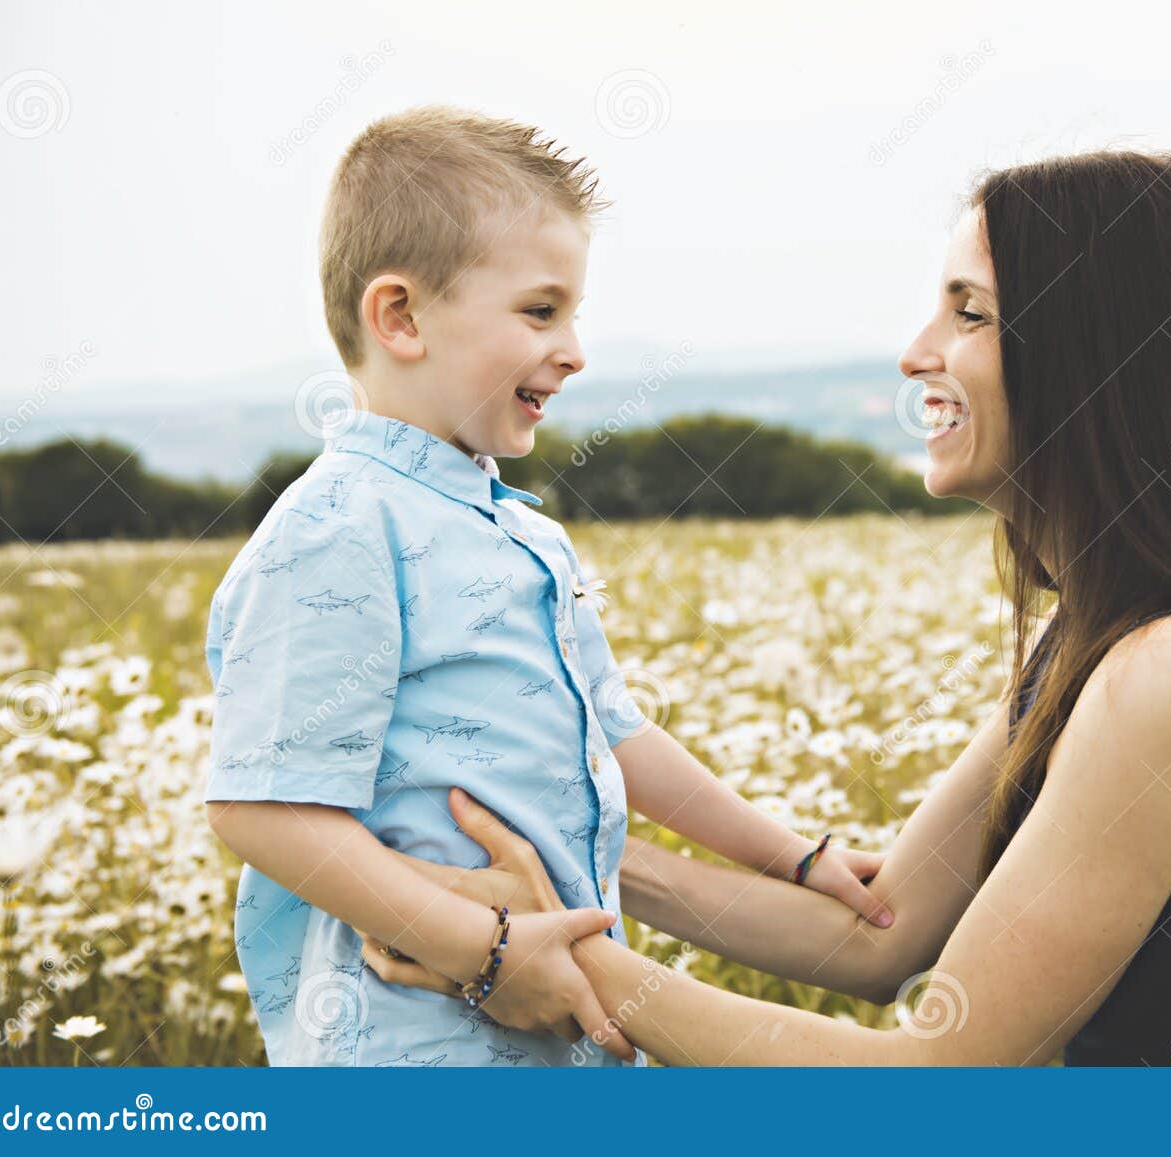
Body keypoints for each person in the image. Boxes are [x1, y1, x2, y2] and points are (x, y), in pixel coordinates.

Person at [361, 151, 1171, 1066]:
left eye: (970, 311)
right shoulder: (1105, 639)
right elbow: (877, 933)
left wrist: (555, 957)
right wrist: (543, 850)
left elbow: (939, 1077)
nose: (915, 351)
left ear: (1102, 359)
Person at [203, 106, 885, 1068]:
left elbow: (619, 733)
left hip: (560, 1022)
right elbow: (262, 807)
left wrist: (794, 856)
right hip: (414, 1045)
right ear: (400, 317)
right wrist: (482, 952)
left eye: (573, 314)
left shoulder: (524, 532)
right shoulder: (338, 528)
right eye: (539, 311)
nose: (573, 350)